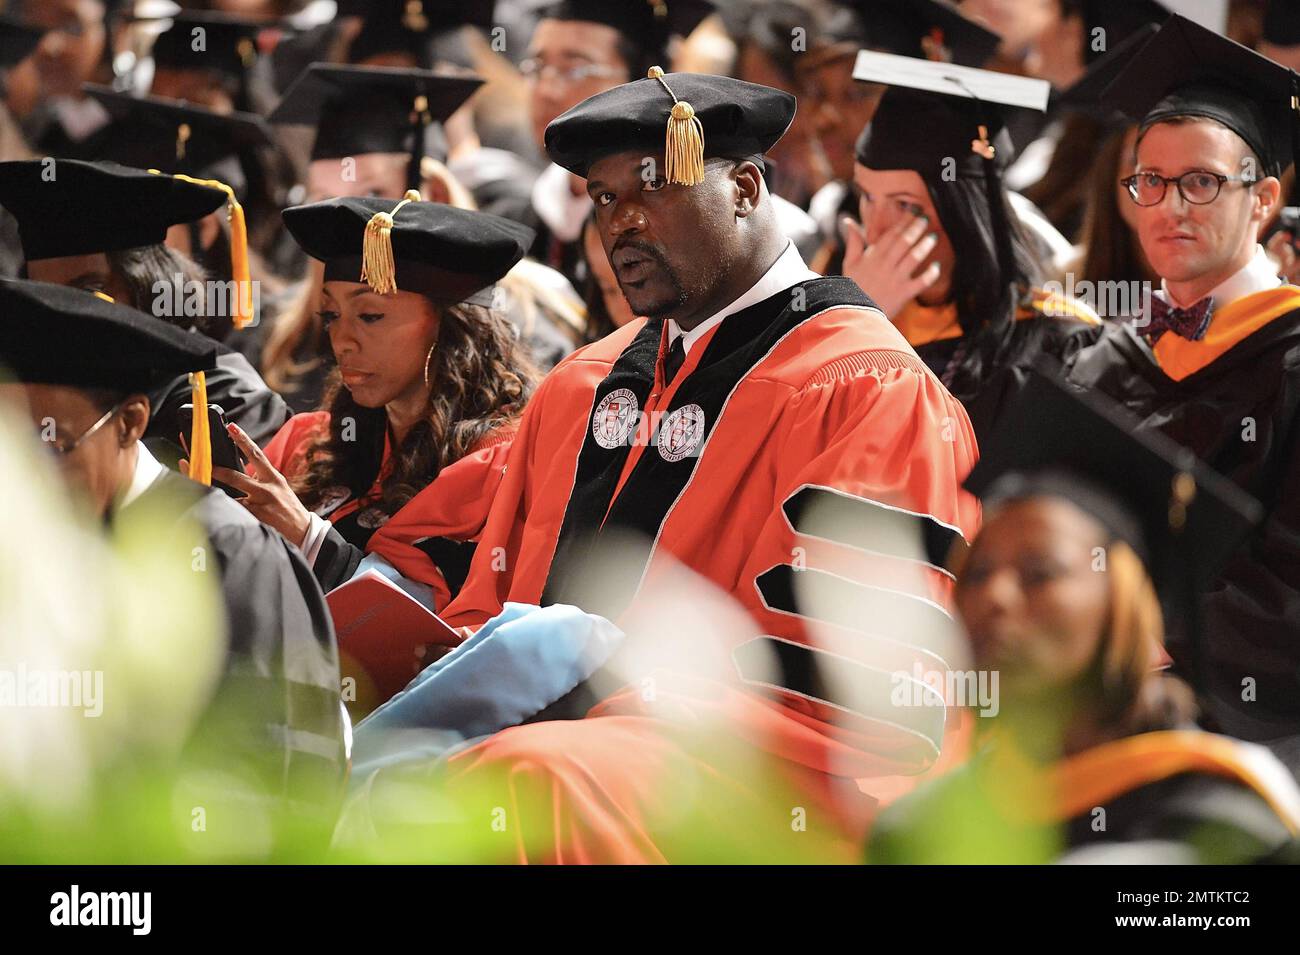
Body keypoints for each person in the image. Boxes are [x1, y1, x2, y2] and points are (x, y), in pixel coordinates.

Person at [344, 69, 981, 863]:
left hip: (762, 769)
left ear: (746, 187)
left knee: (526, 775)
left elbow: (849, 692)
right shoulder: (584, 385)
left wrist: (609, 701)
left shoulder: (866, 386)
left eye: (653, 185)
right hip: (575, 745)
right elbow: (489, 608)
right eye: (604, 198)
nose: (623, 223)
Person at [867, 374, 1300, 864]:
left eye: (1040, 573)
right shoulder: (915, 832)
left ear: (1124, 602)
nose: (995, 596)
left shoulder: (1232, 832)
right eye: (979, 572)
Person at [0, 277, 345, 845]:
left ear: (131, 423)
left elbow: (277, 782)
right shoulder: (33, 546)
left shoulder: (231, 555)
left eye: (52, 446)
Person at [1065, 15, 1300, 754]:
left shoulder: (1290, 361)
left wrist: (1136, 635)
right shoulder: (1106, 356)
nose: (1168, 207)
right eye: (1150, 182)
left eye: (1201, 182)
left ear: (1261, 200)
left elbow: (1285, 594)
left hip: (1247, 743)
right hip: (1098, 714)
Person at [224, 195, 535, 609]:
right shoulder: (310, 441)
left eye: (369, 316)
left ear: (450, 326)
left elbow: (443, 626)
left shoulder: (500, 464)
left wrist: (310, 538)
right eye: (331, 315)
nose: (342, 341)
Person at [842, 53, 1100, 442]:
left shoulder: (1055, 338)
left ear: (965, 209)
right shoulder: (842, 310)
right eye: (867, 196)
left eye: (906, 205)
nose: (876, 228)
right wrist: (855, 322)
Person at [0, 158, 291, 450]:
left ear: (146, 287)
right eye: (45, 295)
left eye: (89, 290)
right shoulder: (35, 394)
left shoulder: (224, 402)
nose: (62, 314)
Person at [520, 0, 716, 284]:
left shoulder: (677, 222)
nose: (546, 91)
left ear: (640, 81)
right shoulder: (525, 215)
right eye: (537, 68)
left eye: (575, 70)